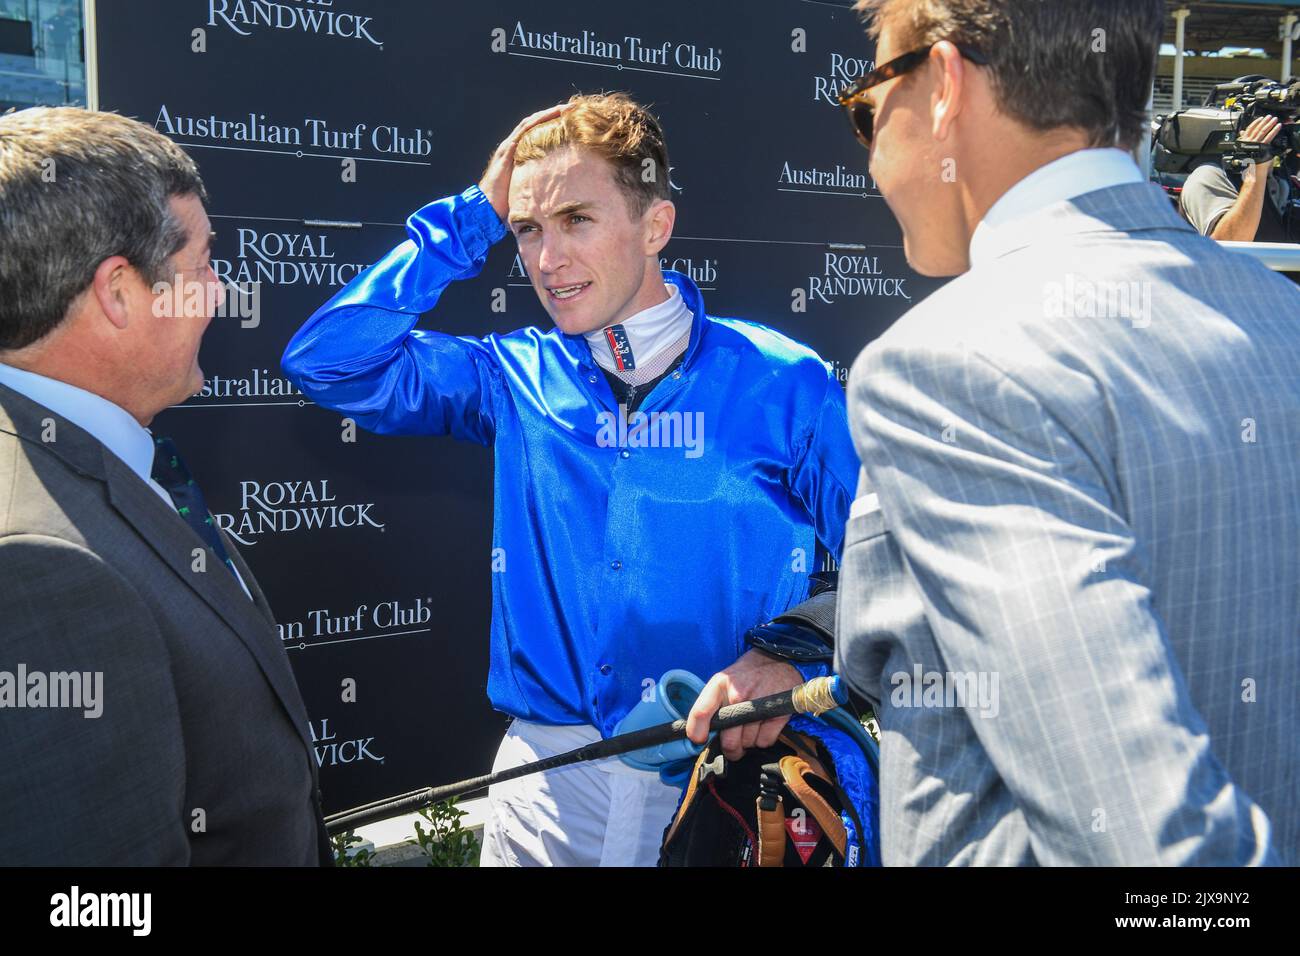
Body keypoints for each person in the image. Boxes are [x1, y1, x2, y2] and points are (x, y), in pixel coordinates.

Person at [281, 93, 858, 867]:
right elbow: (328, 362)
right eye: (528, 229)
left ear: (655, 227)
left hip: (723, 787)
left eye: (576, 220)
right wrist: (470, 221)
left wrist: (790, 654)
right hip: (542, 798)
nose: (547, 262)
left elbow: (902, 565)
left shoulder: (785, 384)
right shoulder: (513, 375)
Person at [833, 0, 1299, 864]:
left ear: (942, 83)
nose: (868, 154)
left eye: (866, 108)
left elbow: (1156, 850)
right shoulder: (1285, 321)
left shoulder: (948, 364)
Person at [0, 107, 329, 865]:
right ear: (118, 291)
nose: (221, 293)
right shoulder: (41, 567)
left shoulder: (95, 454)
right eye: (205, 265)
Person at [1180, 112, 1294, 242]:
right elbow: (1227, 246)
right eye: (1276, 125)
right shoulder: (1209, 177)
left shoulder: (1286, 181)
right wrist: (1255, 170)